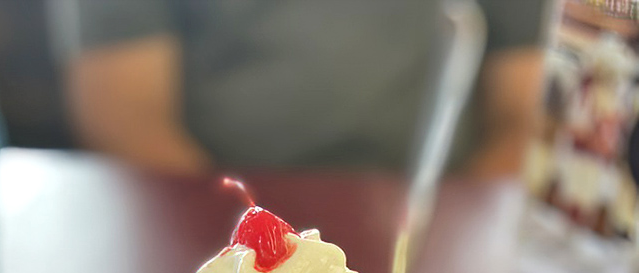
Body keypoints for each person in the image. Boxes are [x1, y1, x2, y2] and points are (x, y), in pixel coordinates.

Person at [48, 0, 546, 176]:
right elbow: (122, 115)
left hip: (429, 223)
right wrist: (253, 247)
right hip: (216, 227)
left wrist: (453, 233)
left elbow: (531, 113)